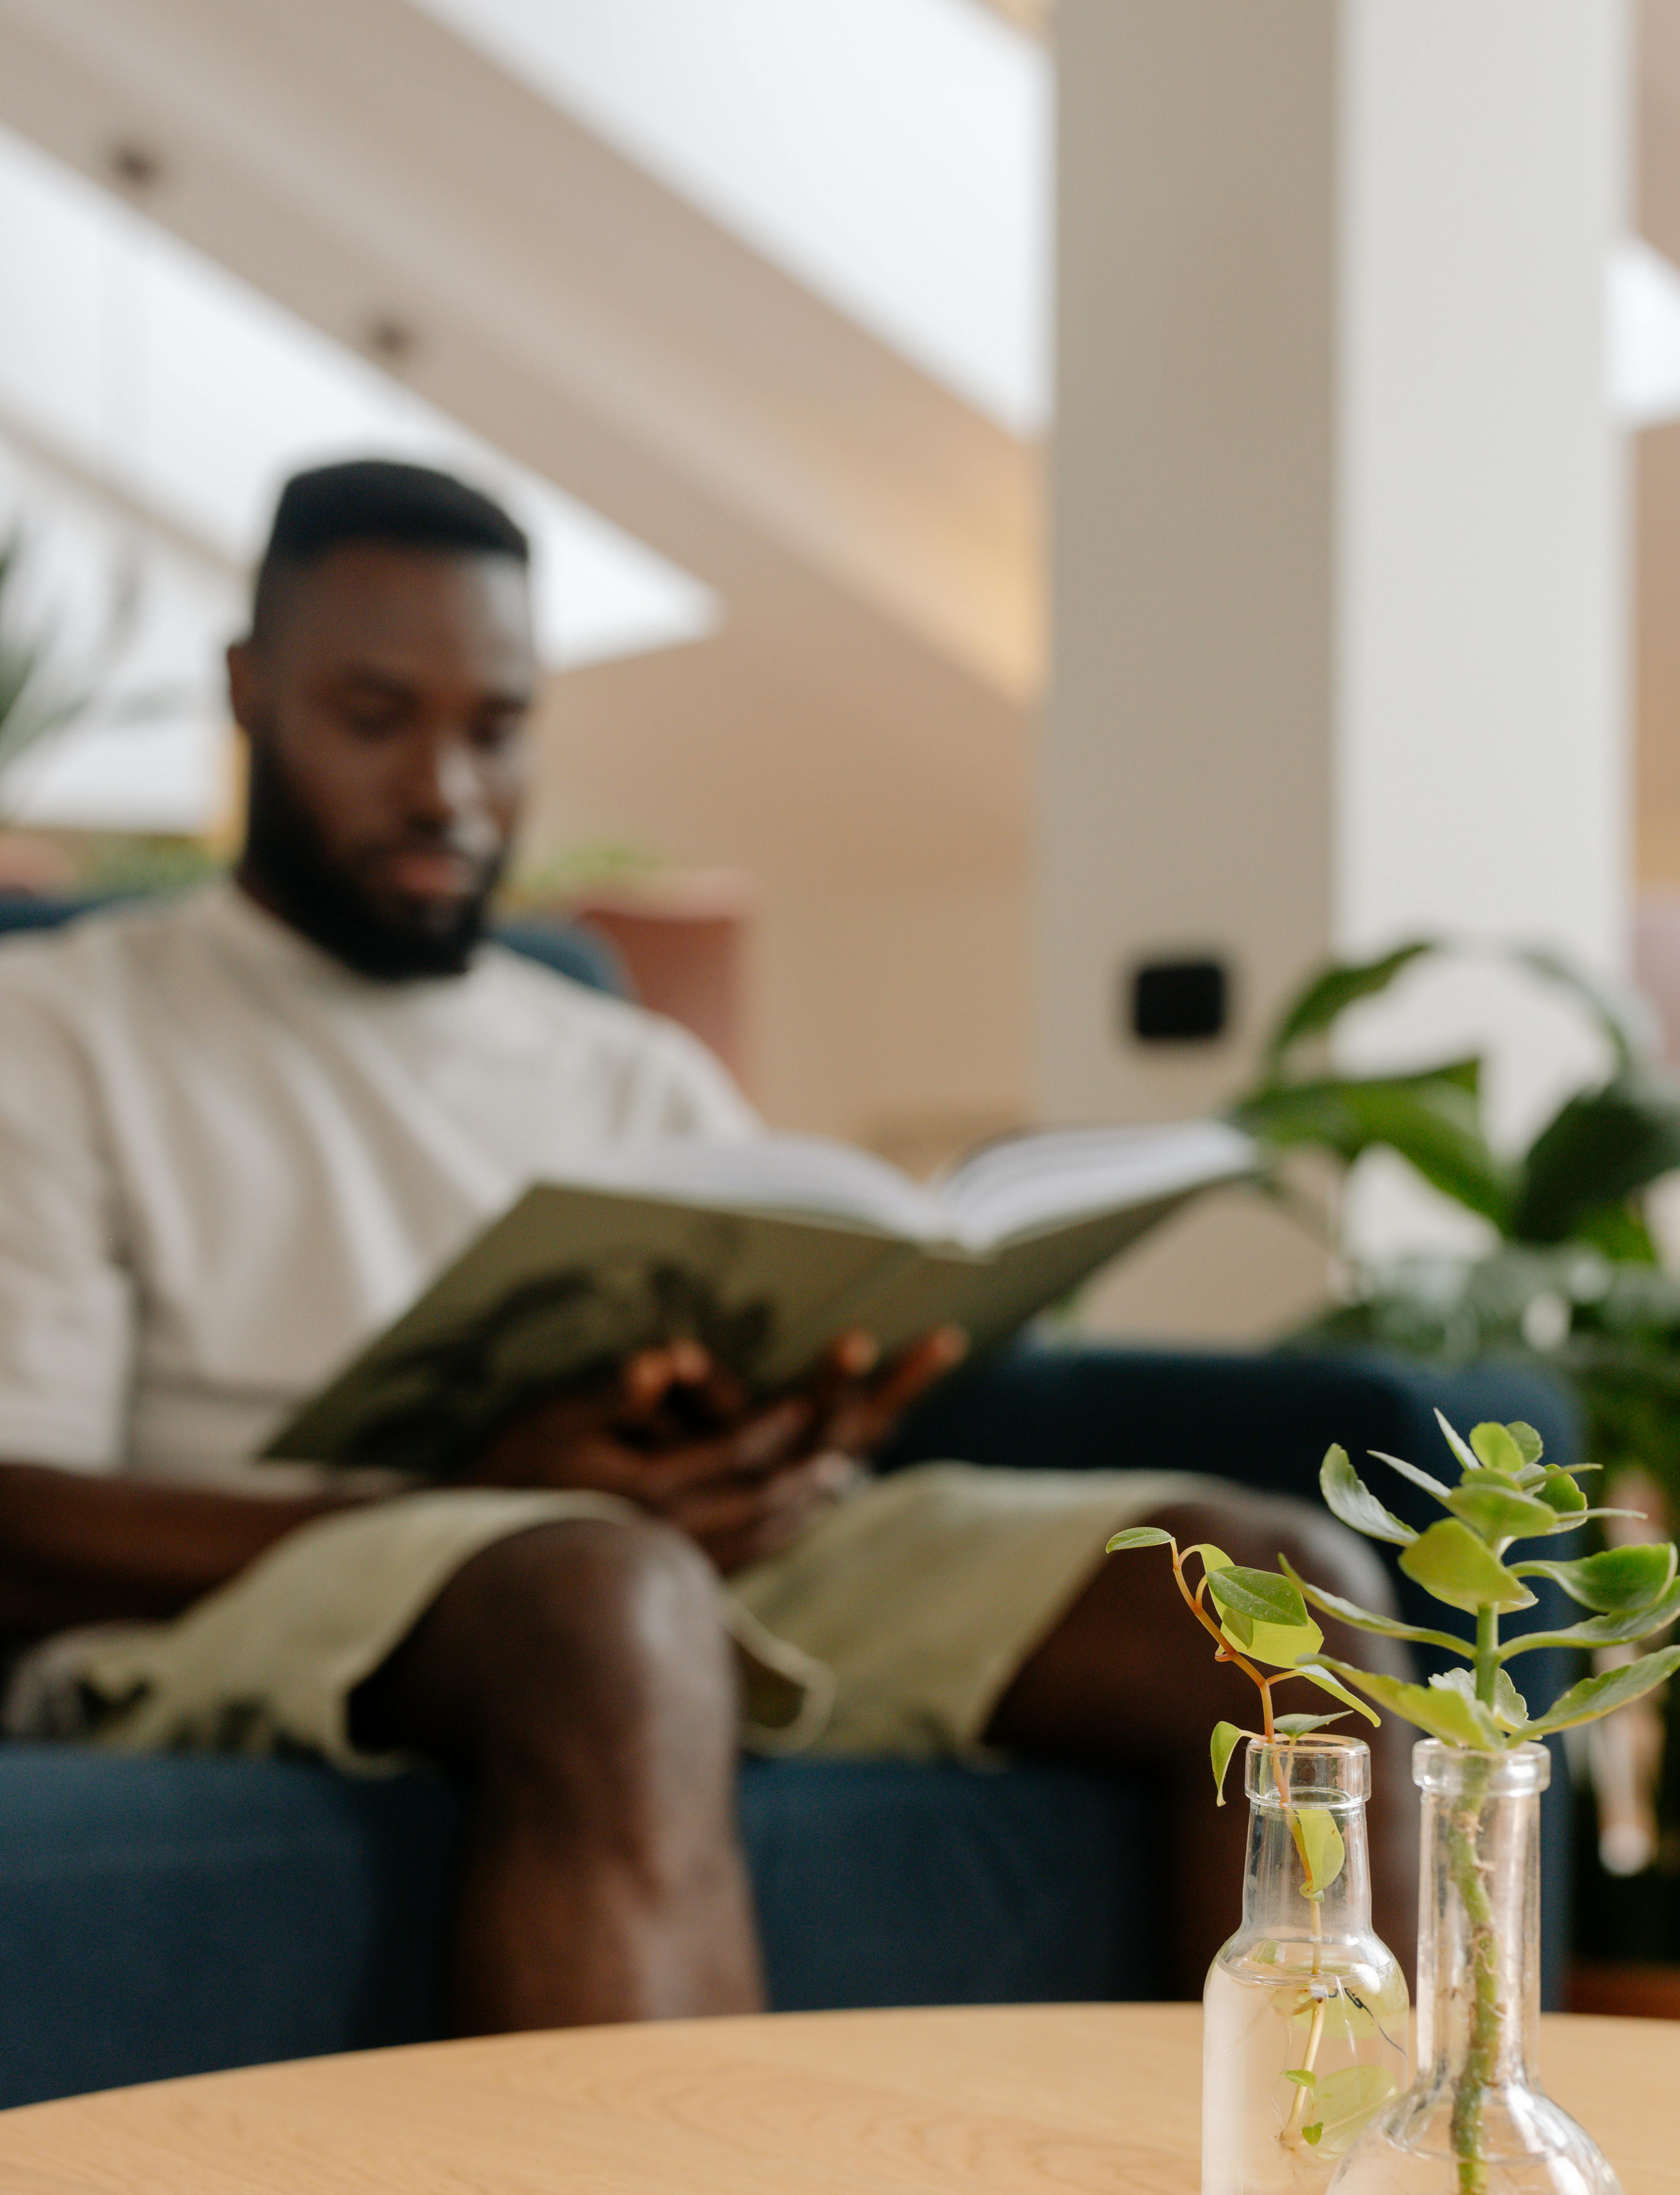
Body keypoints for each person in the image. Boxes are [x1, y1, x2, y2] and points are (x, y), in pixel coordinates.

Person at [0, 460, 1412, 2025]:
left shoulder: (627, 1065)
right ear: (248, 693)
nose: (447, 790)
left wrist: (794, 1446)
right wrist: (473, 1502)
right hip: (258, 1605)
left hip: (663, 1561)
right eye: (375, 716)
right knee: (606, 1593)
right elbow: (17, 1508)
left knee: (1280, 1587)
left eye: (496, 727)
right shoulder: (62, 1029)